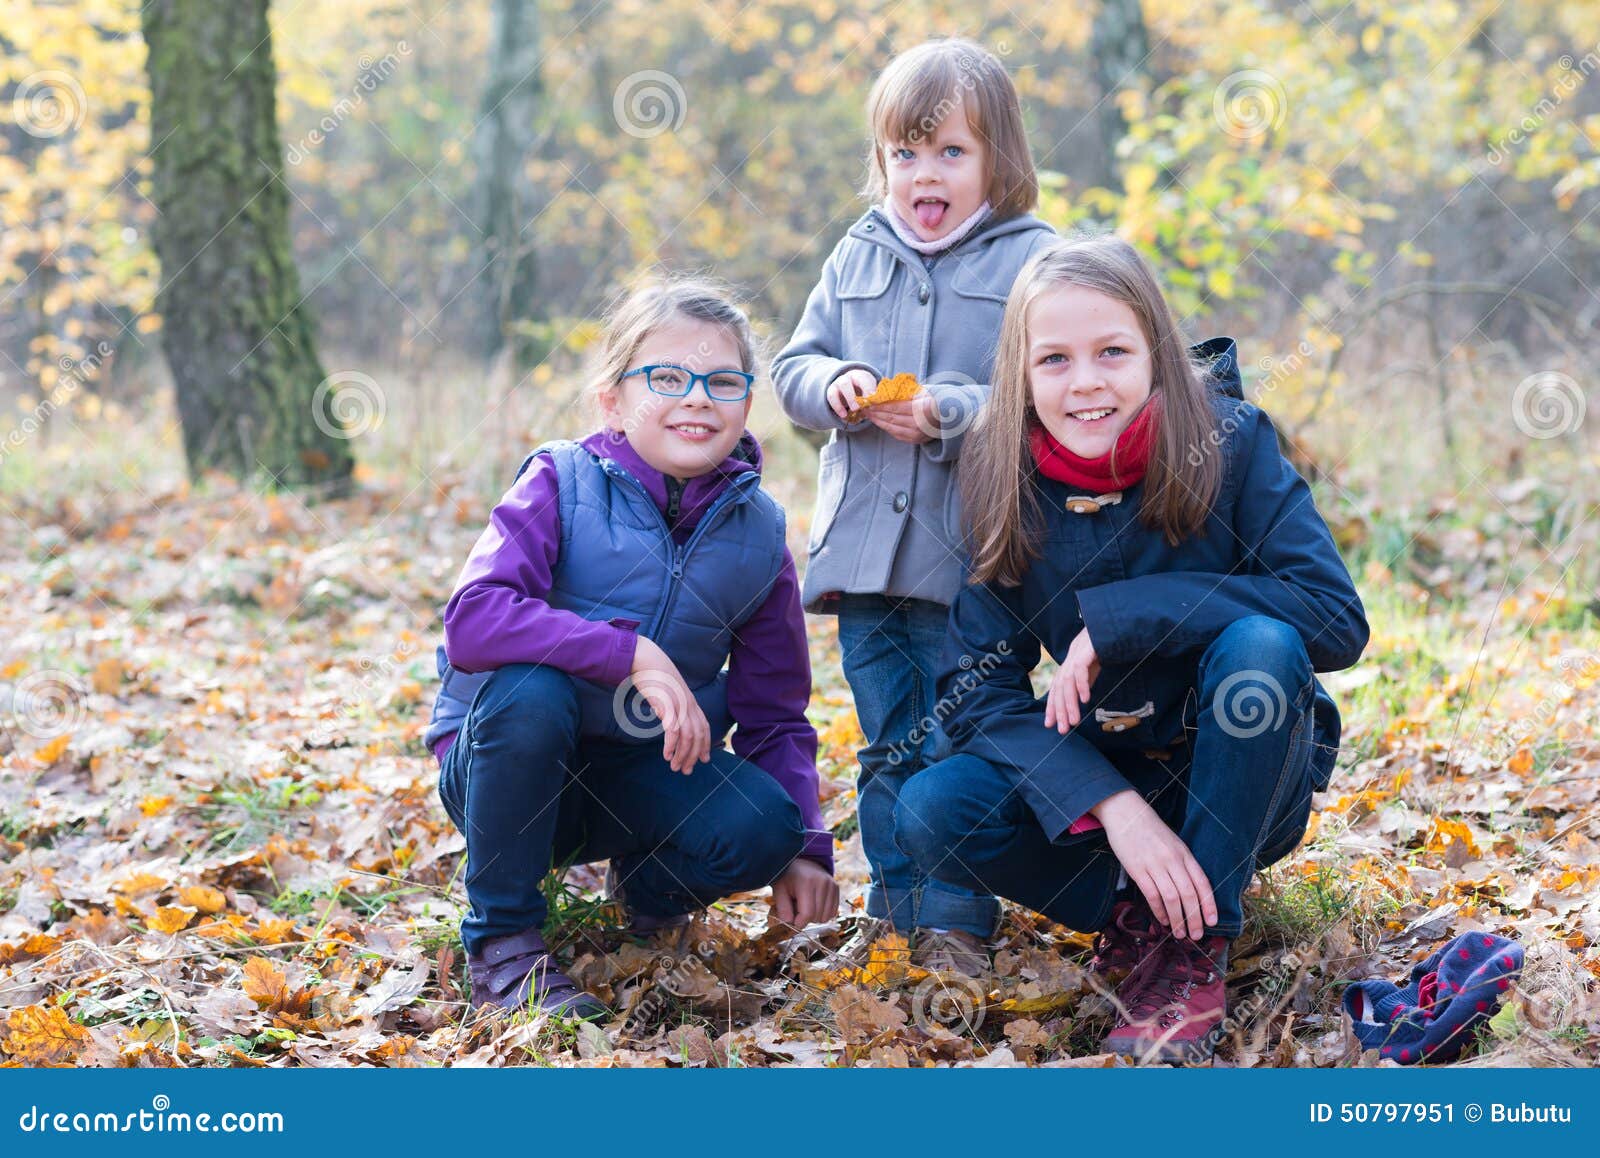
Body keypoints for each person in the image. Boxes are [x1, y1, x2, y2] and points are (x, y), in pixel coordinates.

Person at [893, 234, 1369, 1062]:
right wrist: (1112, 809)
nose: (1085, 383)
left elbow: (1333, 617)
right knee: (932, 808)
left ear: (1154, 350)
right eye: (1055, 360)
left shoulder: (1234, 441)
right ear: (1020, 373)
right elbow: (975, 695)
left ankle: (1195, 944)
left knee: (1261, 644)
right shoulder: (999, 471)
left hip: (1247, 773)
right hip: (1109, 772)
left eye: (1112, 351)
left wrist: (1125, 618)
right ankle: (1137, 907)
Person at [426, 278, 838, 1017]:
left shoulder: (757, 533)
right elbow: (475, 619)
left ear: (747, 402)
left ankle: (647, 893)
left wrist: (807, 844)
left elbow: (775, 713)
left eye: (723, 382)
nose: (697, 398)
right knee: (531, 691)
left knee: (765, 824)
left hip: (637, 775)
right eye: (668, 378)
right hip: (507, 773)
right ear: (612, 400)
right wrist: (633, 654)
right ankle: (503, 942)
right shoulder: (561, 479)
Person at [771, 37, 1056, 973]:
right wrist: (839, 381)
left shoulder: (1032, 261)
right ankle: (893, 916)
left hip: (970, 559)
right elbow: (793, 368)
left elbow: (1041, 395)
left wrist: (952, 409)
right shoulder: (857, 252)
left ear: (998, 161)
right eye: (905, 153)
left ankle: (959, 924)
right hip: (864, 562)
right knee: (890, 741)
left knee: (959, 741)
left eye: (950, 153)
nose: (922, 174)